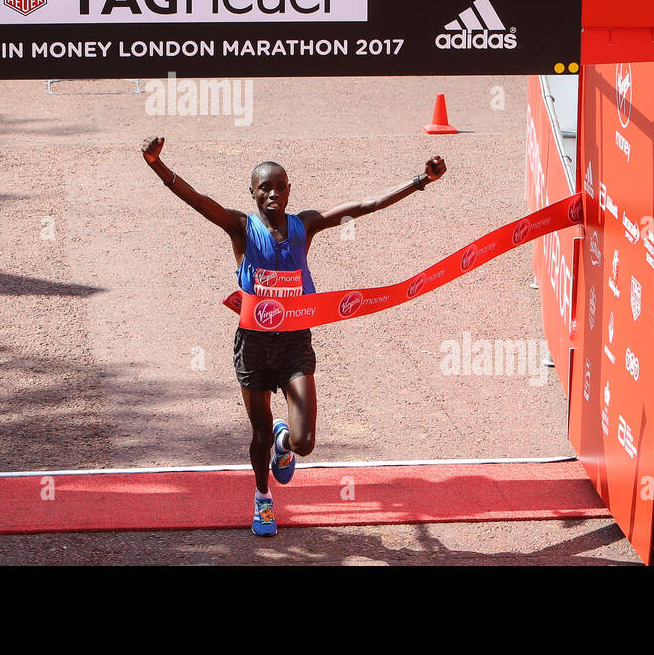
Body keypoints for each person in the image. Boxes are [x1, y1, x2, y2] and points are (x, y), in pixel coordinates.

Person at [140, 135, 447, 536]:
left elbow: (364, 206)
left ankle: (285, 447)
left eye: (279, 185)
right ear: (251, 193)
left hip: (294, 344)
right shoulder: (240, 227)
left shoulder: (306, 225)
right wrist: (155, 164)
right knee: (260, 432)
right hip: (252, 345)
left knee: (303, 443)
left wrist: (420, 180)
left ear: (289, 190)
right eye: (263, 187)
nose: (272, 192)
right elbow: (196, 199)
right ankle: (263, 499)